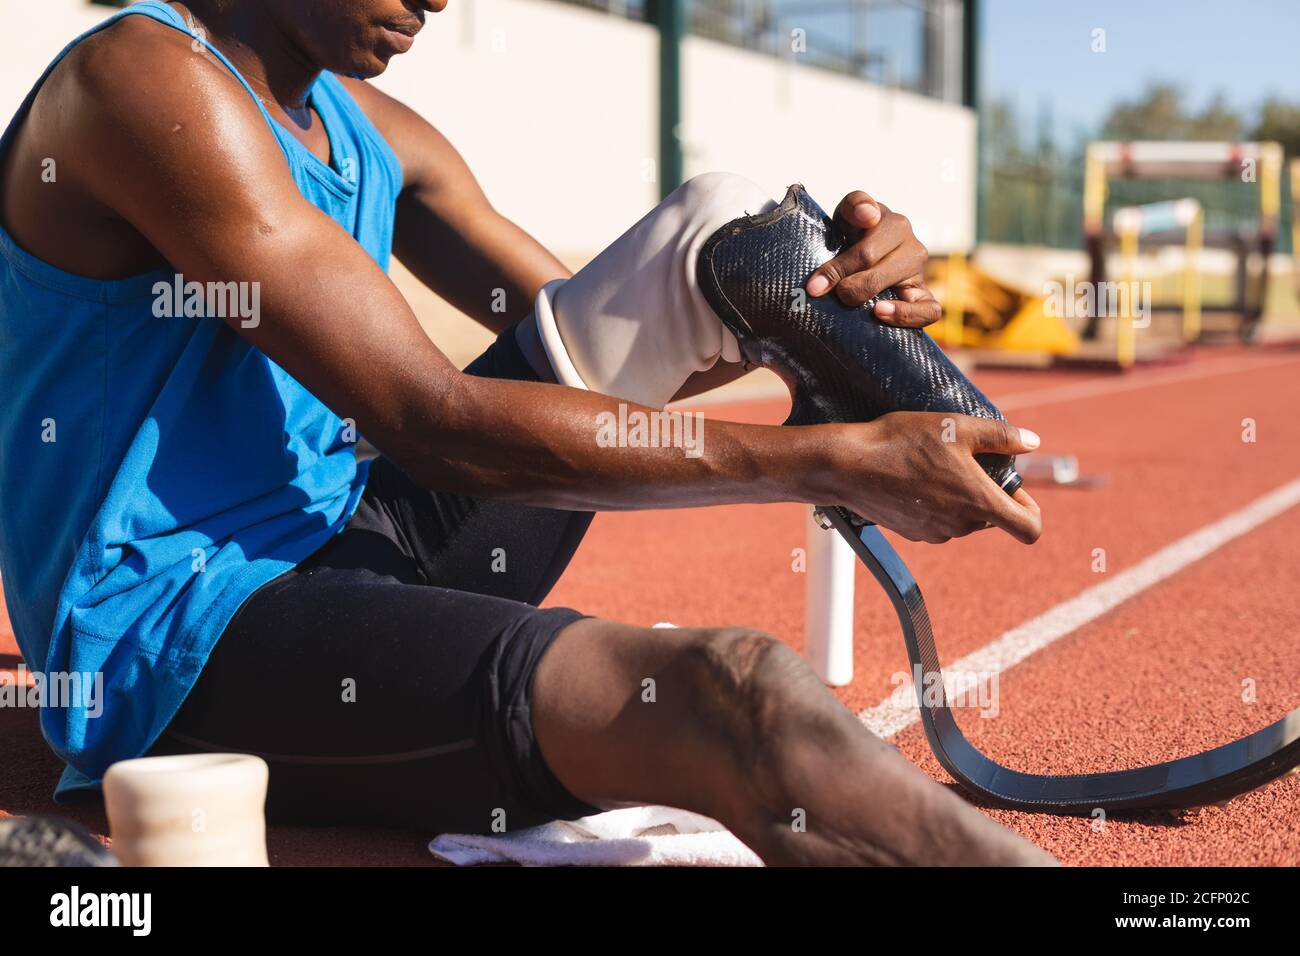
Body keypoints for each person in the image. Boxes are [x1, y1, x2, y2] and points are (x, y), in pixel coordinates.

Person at [0, 0, 1049, 865]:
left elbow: (612, 326)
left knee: (730, 233)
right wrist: (822, 464)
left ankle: (958, 429)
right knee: (737, 695)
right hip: (183, 633)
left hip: (357, 534)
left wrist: (827, 304)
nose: (440, 3)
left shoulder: (375, 132)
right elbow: (430, 420)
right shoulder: (139, 83)